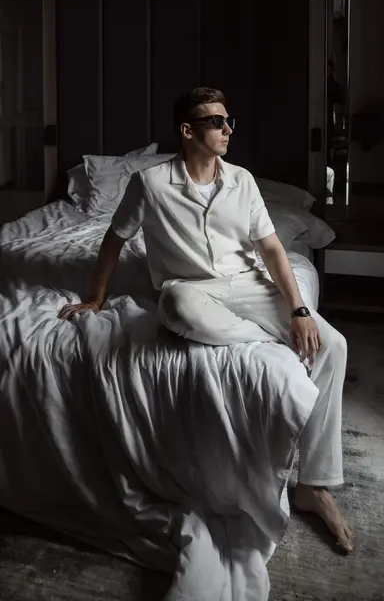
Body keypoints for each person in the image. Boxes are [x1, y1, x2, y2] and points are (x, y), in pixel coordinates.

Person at [58, 87, 354, 553]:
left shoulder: (243, 180)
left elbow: (272, 248)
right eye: (217, 122)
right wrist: (96, 299)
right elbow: (114, 240)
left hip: (247, 283)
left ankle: (314, 486)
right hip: (191, 289)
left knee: (332, 345)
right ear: (187, 130)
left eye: (229, 120)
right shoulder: (150, 184)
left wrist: (299, 310)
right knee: (177, 309)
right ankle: (271, 339)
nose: (228, 129)